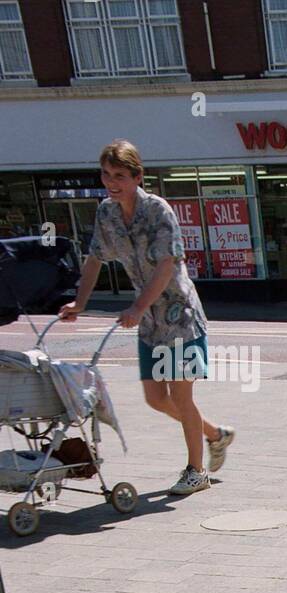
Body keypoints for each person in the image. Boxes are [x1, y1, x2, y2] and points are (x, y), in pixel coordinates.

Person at [59, 140, 233, 495]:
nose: (112, 182)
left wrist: (137, 308)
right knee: (155, 399)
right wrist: (78, 302)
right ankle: (215, 434)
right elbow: (95, 259)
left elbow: (167, 267)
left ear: (138, 176)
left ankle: (195, 471)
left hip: (179, 315)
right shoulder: (107, 213)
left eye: (120, 175)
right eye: (107, 174)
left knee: (181, 396)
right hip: (150, 322)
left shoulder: (158, 211)